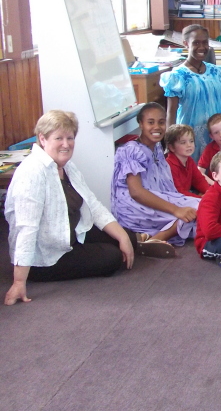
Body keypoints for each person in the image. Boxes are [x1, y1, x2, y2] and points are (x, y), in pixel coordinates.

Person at [4, 110, 172, 306]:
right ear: (42, 138)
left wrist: (123, 237)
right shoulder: (32, 173)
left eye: (70, 138)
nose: (66, 144)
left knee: (125, 236)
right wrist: (18, 282)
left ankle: (134, 242)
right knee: (112, 258)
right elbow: (26, 228)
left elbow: (93, 205)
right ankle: (127, 247)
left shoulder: (67, 167)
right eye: (59, 138)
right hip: (46, 255)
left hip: (72, 230)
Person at [111, 103, 201, 246]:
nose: (156, 127)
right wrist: (176, 209)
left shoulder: (157, 147)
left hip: (154, 198)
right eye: (150, 122)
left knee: (204, 210)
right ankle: (159, 237)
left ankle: (148, 237)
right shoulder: (132, 150)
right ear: (140, 124)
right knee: (199, 210)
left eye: (161, 122)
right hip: (134, 206)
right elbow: (136, 193)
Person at [161, 24, 221, 160]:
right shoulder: (177, 76)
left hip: (216, 136)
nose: (202, 47)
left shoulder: (217, 72)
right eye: (196, 43)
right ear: (186, 44)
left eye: (205, 42)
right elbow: (171, 112)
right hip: (189, 138)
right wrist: (169, 143)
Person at [165, 123, 211, 197]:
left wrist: (209, 192)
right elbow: (178, 192)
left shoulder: (189, 160)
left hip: (187, 196)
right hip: (175, 198)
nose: (189, 145)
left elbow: (199, 180)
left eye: (191, 141)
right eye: (183, 142)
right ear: (172, 147)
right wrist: (201, 198)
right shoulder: (169, 165)